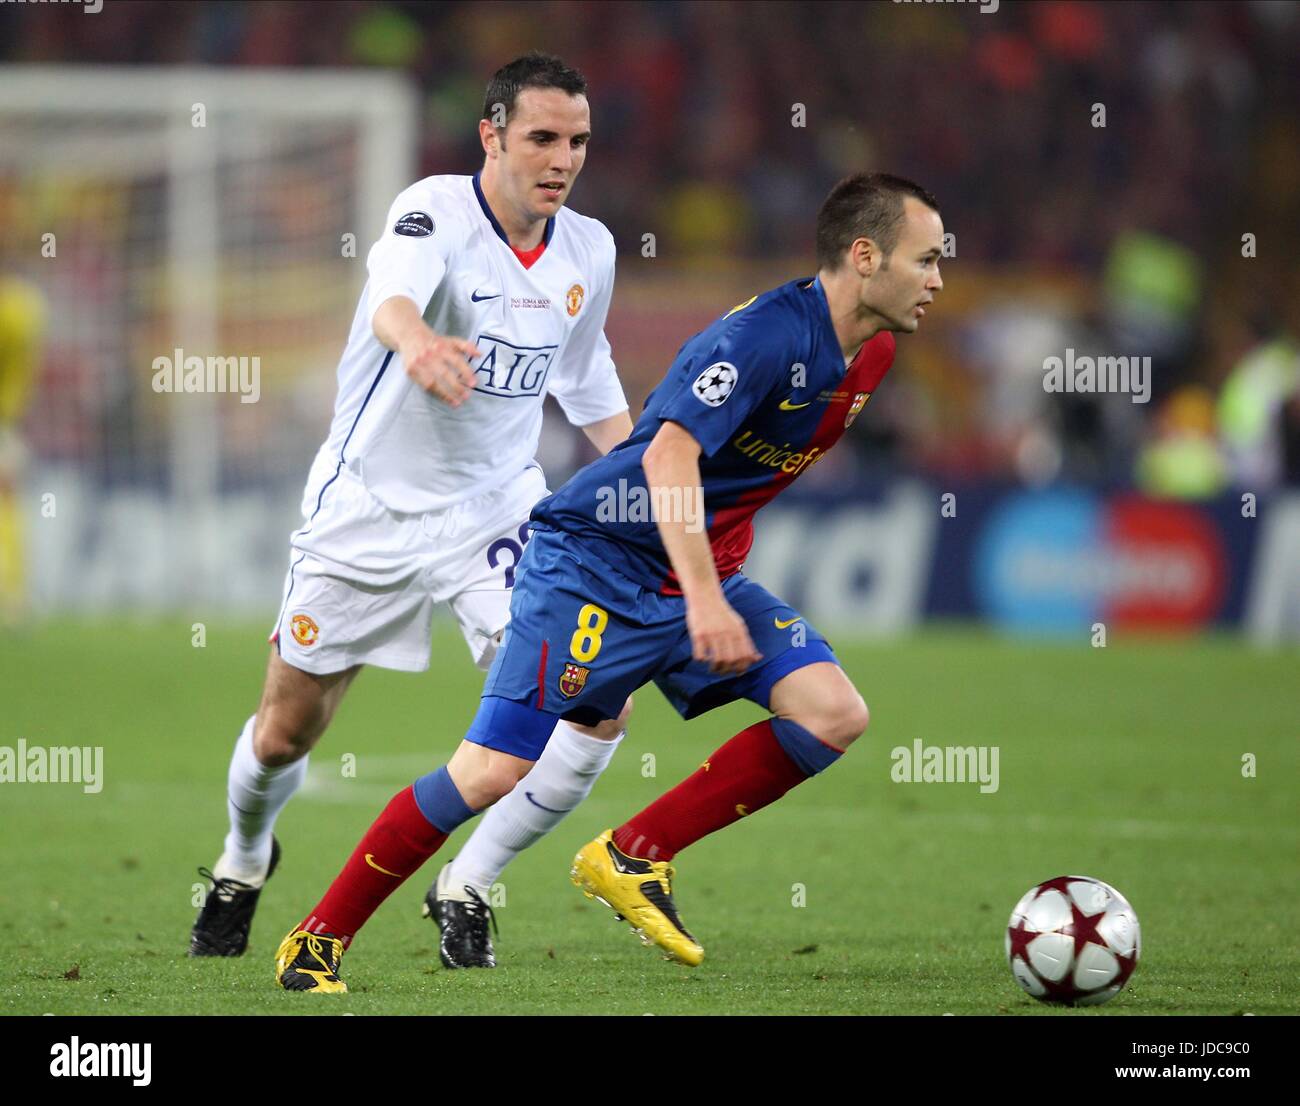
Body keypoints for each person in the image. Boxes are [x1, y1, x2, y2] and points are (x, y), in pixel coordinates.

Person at [274, 171, 944, 991]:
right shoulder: (764, 339)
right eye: (927, 260)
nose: (939, 281)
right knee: (490, 771)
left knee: (834, 713)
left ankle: (637, 853)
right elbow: (666, 454)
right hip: (595, 564)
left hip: (694, 573)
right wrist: (702, 598)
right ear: (865, 256)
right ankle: (318, 937)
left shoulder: (872, 352)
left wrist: (706, 579)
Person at [189, 53, 634, 971]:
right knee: (285, 730)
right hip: (368, 509)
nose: (562, 159)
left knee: (592, 700)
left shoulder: (589, 248)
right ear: (493, 135)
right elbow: (389, 294)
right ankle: (243, 858)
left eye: (578, 142)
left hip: (498, 514)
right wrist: (421, 341)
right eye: (543, 138)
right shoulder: (433, 208)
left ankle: (465, 882)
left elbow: (587, 382)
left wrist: (649, 484)